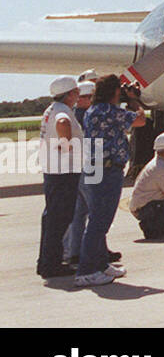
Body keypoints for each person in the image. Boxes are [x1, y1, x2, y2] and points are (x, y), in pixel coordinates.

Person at [76, 74, 145, 287]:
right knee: (100, 221)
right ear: (115, 91)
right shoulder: (109, 111)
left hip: (95, 167)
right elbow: (140, 120)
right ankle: (86, 271)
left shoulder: (92, 110)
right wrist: (134, 100)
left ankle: (100, 264)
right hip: (107, 170)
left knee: (97, 219)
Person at [63, 80, 121, 268]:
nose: (89, 99)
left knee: (81, 212)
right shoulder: (86, 115)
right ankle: (96, 255)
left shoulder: (77, 115)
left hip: (79, 167)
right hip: (89, 167)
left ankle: (75, 252)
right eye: (86, 96)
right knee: (98, 212)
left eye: (90, 96)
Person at [36, 76, 83, 279]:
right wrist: (68, 145)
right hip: (64, 172)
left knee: (51, 218)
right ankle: (51, 265)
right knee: (60, 218)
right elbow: (62, 123)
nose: (78, 95)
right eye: (76, 92)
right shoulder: (62, 112)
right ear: (70, 94)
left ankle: (45, 261)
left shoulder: (51, 109)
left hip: (53, 170)